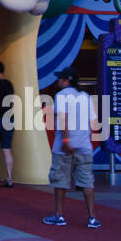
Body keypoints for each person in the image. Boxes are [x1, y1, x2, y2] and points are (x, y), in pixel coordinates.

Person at [43, 68, 101, 228]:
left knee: (60, 180)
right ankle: (92, 218)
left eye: (59, 79)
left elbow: (63, 118)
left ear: (66, 81)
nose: (57, 82)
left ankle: (59, 215)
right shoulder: (85, 96)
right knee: (87, 181)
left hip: (64, 147)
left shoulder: (62, 96)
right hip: (84, 146)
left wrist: (67, 140)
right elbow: (93, 121)